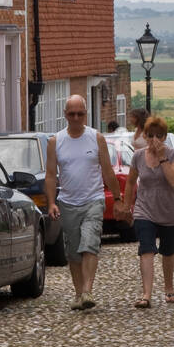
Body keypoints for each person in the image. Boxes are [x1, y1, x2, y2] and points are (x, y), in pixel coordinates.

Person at [45, 95, 124, 310]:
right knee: (74, 252)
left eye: (80, 113)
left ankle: (88, 290)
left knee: (90, 244)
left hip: (93, 199)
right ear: (65, 115)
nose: (76, 117)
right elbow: (51, 175)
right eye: (72, 114)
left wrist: (117, 199)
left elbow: (108, 171)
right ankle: (79, 293)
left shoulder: (95, 138)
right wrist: (51, 202)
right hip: (68, 202)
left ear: (85, 114)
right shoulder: (56, 141)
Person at [122, 115, 174, 307]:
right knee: (146, 249)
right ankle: (146, 294)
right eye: (150, 136)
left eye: (158, 136)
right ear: (145, 136)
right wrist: (127, 206)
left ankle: (169, 287)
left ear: (164, 137)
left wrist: (162, 158)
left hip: (169, 211)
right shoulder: (138, 156)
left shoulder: (172, 154)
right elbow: (131, 181)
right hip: (144, 210)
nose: (154, 140)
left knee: (168, 250)